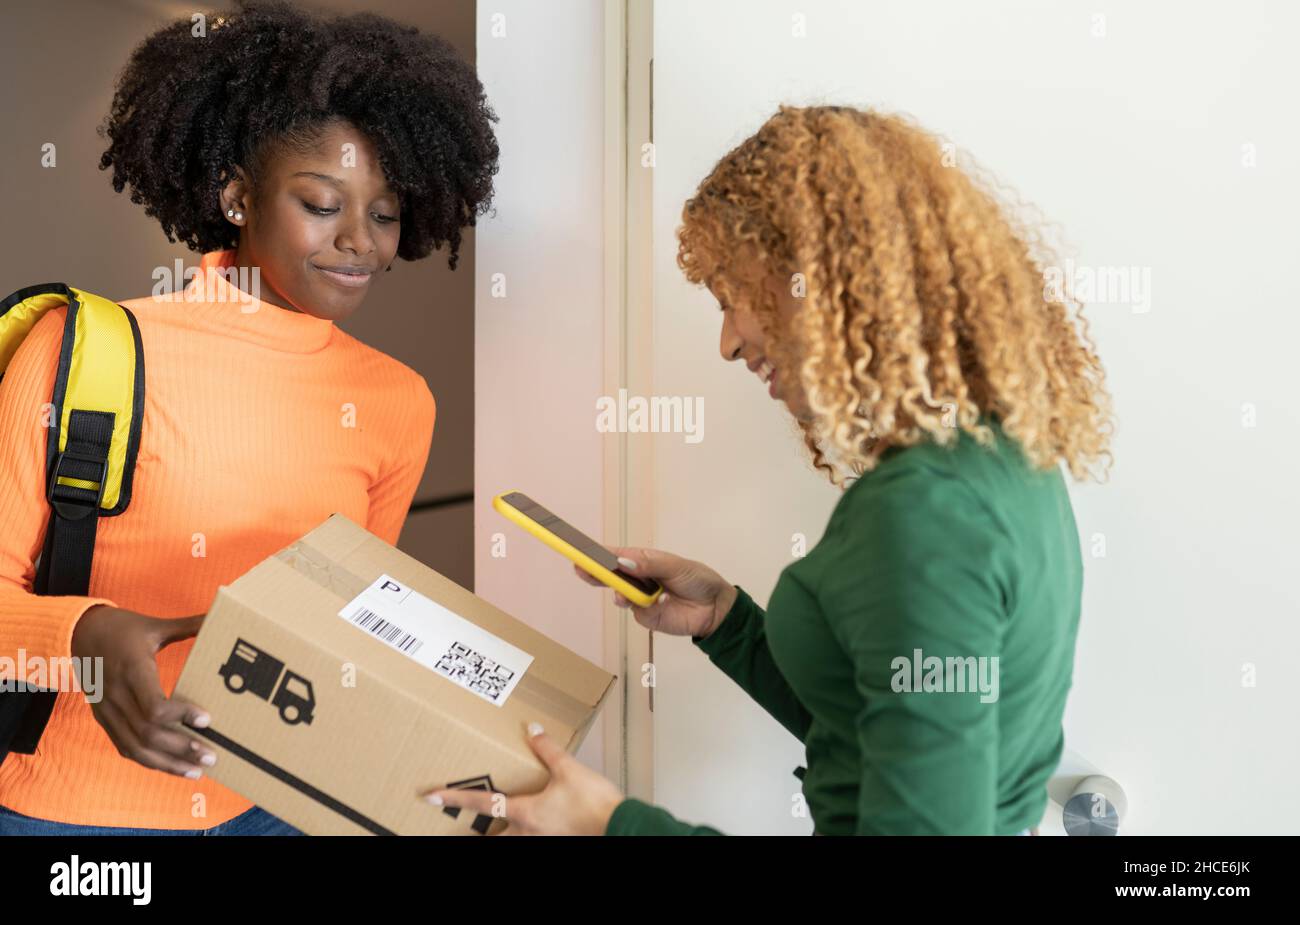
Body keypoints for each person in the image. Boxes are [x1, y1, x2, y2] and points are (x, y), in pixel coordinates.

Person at [425, 104, 1113, 835]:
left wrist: (612, 825)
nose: (727, 342)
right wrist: (726, 620)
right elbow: (879, 726)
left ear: (828, 277)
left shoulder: (925, 516)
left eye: (734, 298)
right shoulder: (1004, 456)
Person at [0, 0, 498, 835]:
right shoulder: (80, 350)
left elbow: (351, 625)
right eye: (321, 202)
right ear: (236, 195)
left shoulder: (398, 401)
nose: (361, 243)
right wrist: (82, 630)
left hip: (278, 804)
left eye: (384, 213)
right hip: (68, 818)